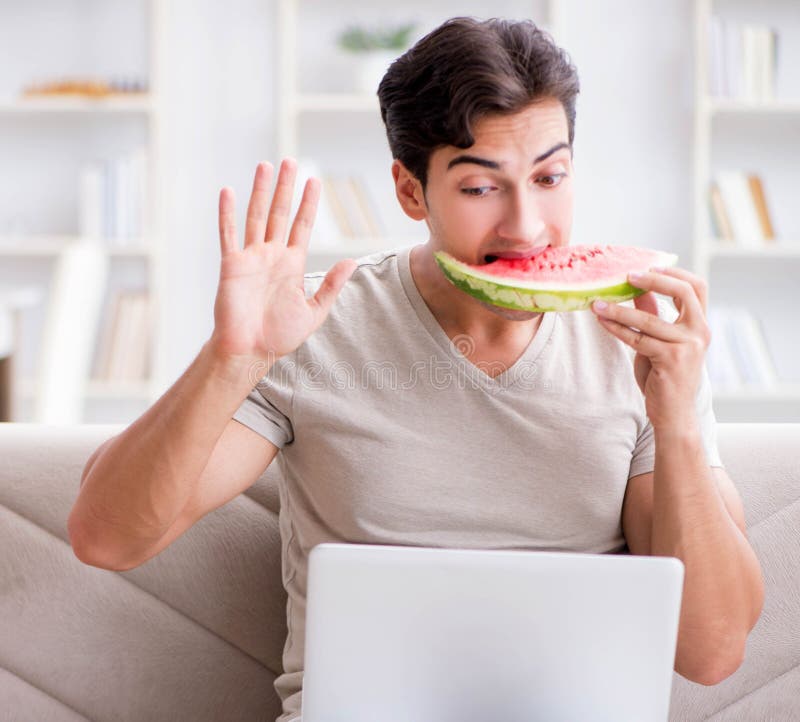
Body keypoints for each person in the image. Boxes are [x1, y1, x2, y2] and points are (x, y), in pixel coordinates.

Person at [68, 16, 764, 722]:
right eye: (479, 188)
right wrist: (232, 359)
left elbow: (711, 652)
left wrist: (674, 423)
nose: (526, 226)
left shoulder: (646, 346)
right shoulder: (312, 330)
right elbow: (108, 538)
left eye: (549, 177)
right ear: (409, 191)